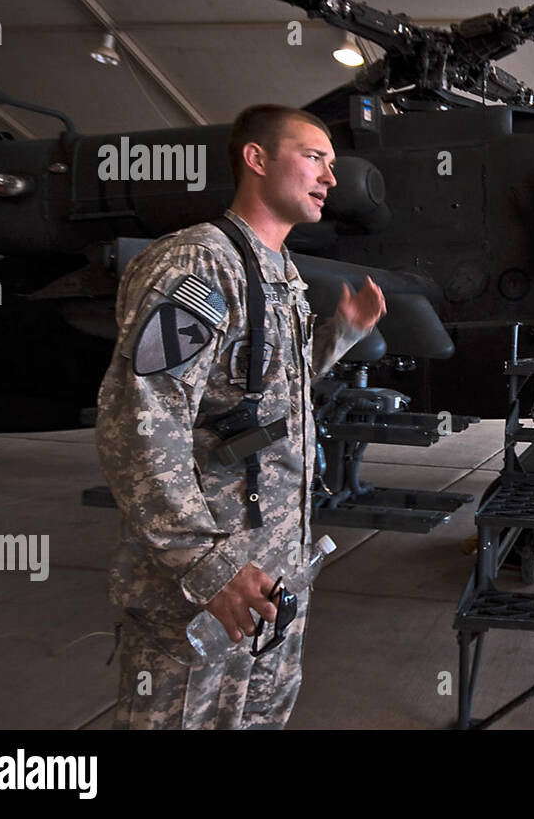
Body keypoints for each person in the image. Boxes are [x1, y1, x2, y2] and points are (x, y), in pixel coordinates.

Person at [96, 104, 386, 729]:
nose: (330, 178)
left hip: (273, 568)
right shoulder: (199, 265)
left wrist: (342, 335)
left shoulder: (279, 273)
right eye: (314, 158)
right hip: (210, 577)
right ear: (256, 160)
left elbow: (265, 393)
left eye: (331, 164)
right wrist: (209, 563)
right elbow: (141, 422)